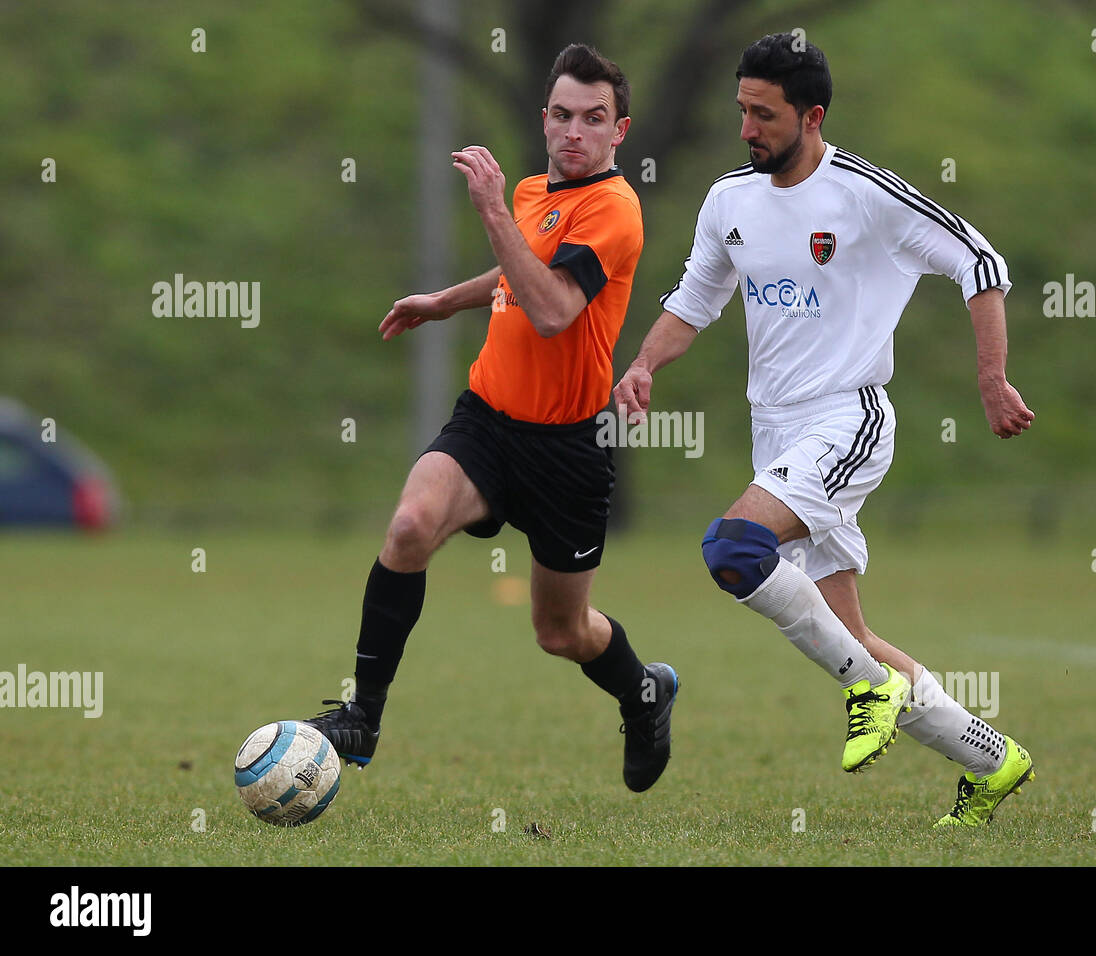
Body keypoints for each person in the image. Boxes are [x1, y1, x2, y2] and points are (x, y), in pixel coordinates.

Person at [615, 33, 1033, 825]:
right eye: (741, 110)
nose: (746, 129)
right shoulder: (728, 202)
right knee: (850, 636)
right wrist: (643, 366)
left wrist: (990, 380)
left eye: (763, 115)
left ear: (812, 117)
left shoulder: (866, 196)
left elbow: (979, 262)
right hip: (776, 432)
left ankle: (868, 691)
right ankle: (992, 759)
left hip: (849, 417)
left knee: (733, 548)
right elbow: (694, 301)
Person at [306, 43, 678, 794]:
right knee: (410, 527)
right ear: (544, 119)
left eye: (593, 119)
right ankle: (361, 718)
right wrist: (444, 300)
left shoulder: (615, 211)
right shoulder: (538, 192)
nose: (576, 131)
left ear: (620, 132)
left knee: (560, 632)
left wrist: (487, 208)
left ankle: (647, 693)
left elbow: (551, 308)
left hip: (569, 451)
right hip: (487, 423)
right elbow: (519, 268)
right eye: (563, 115)